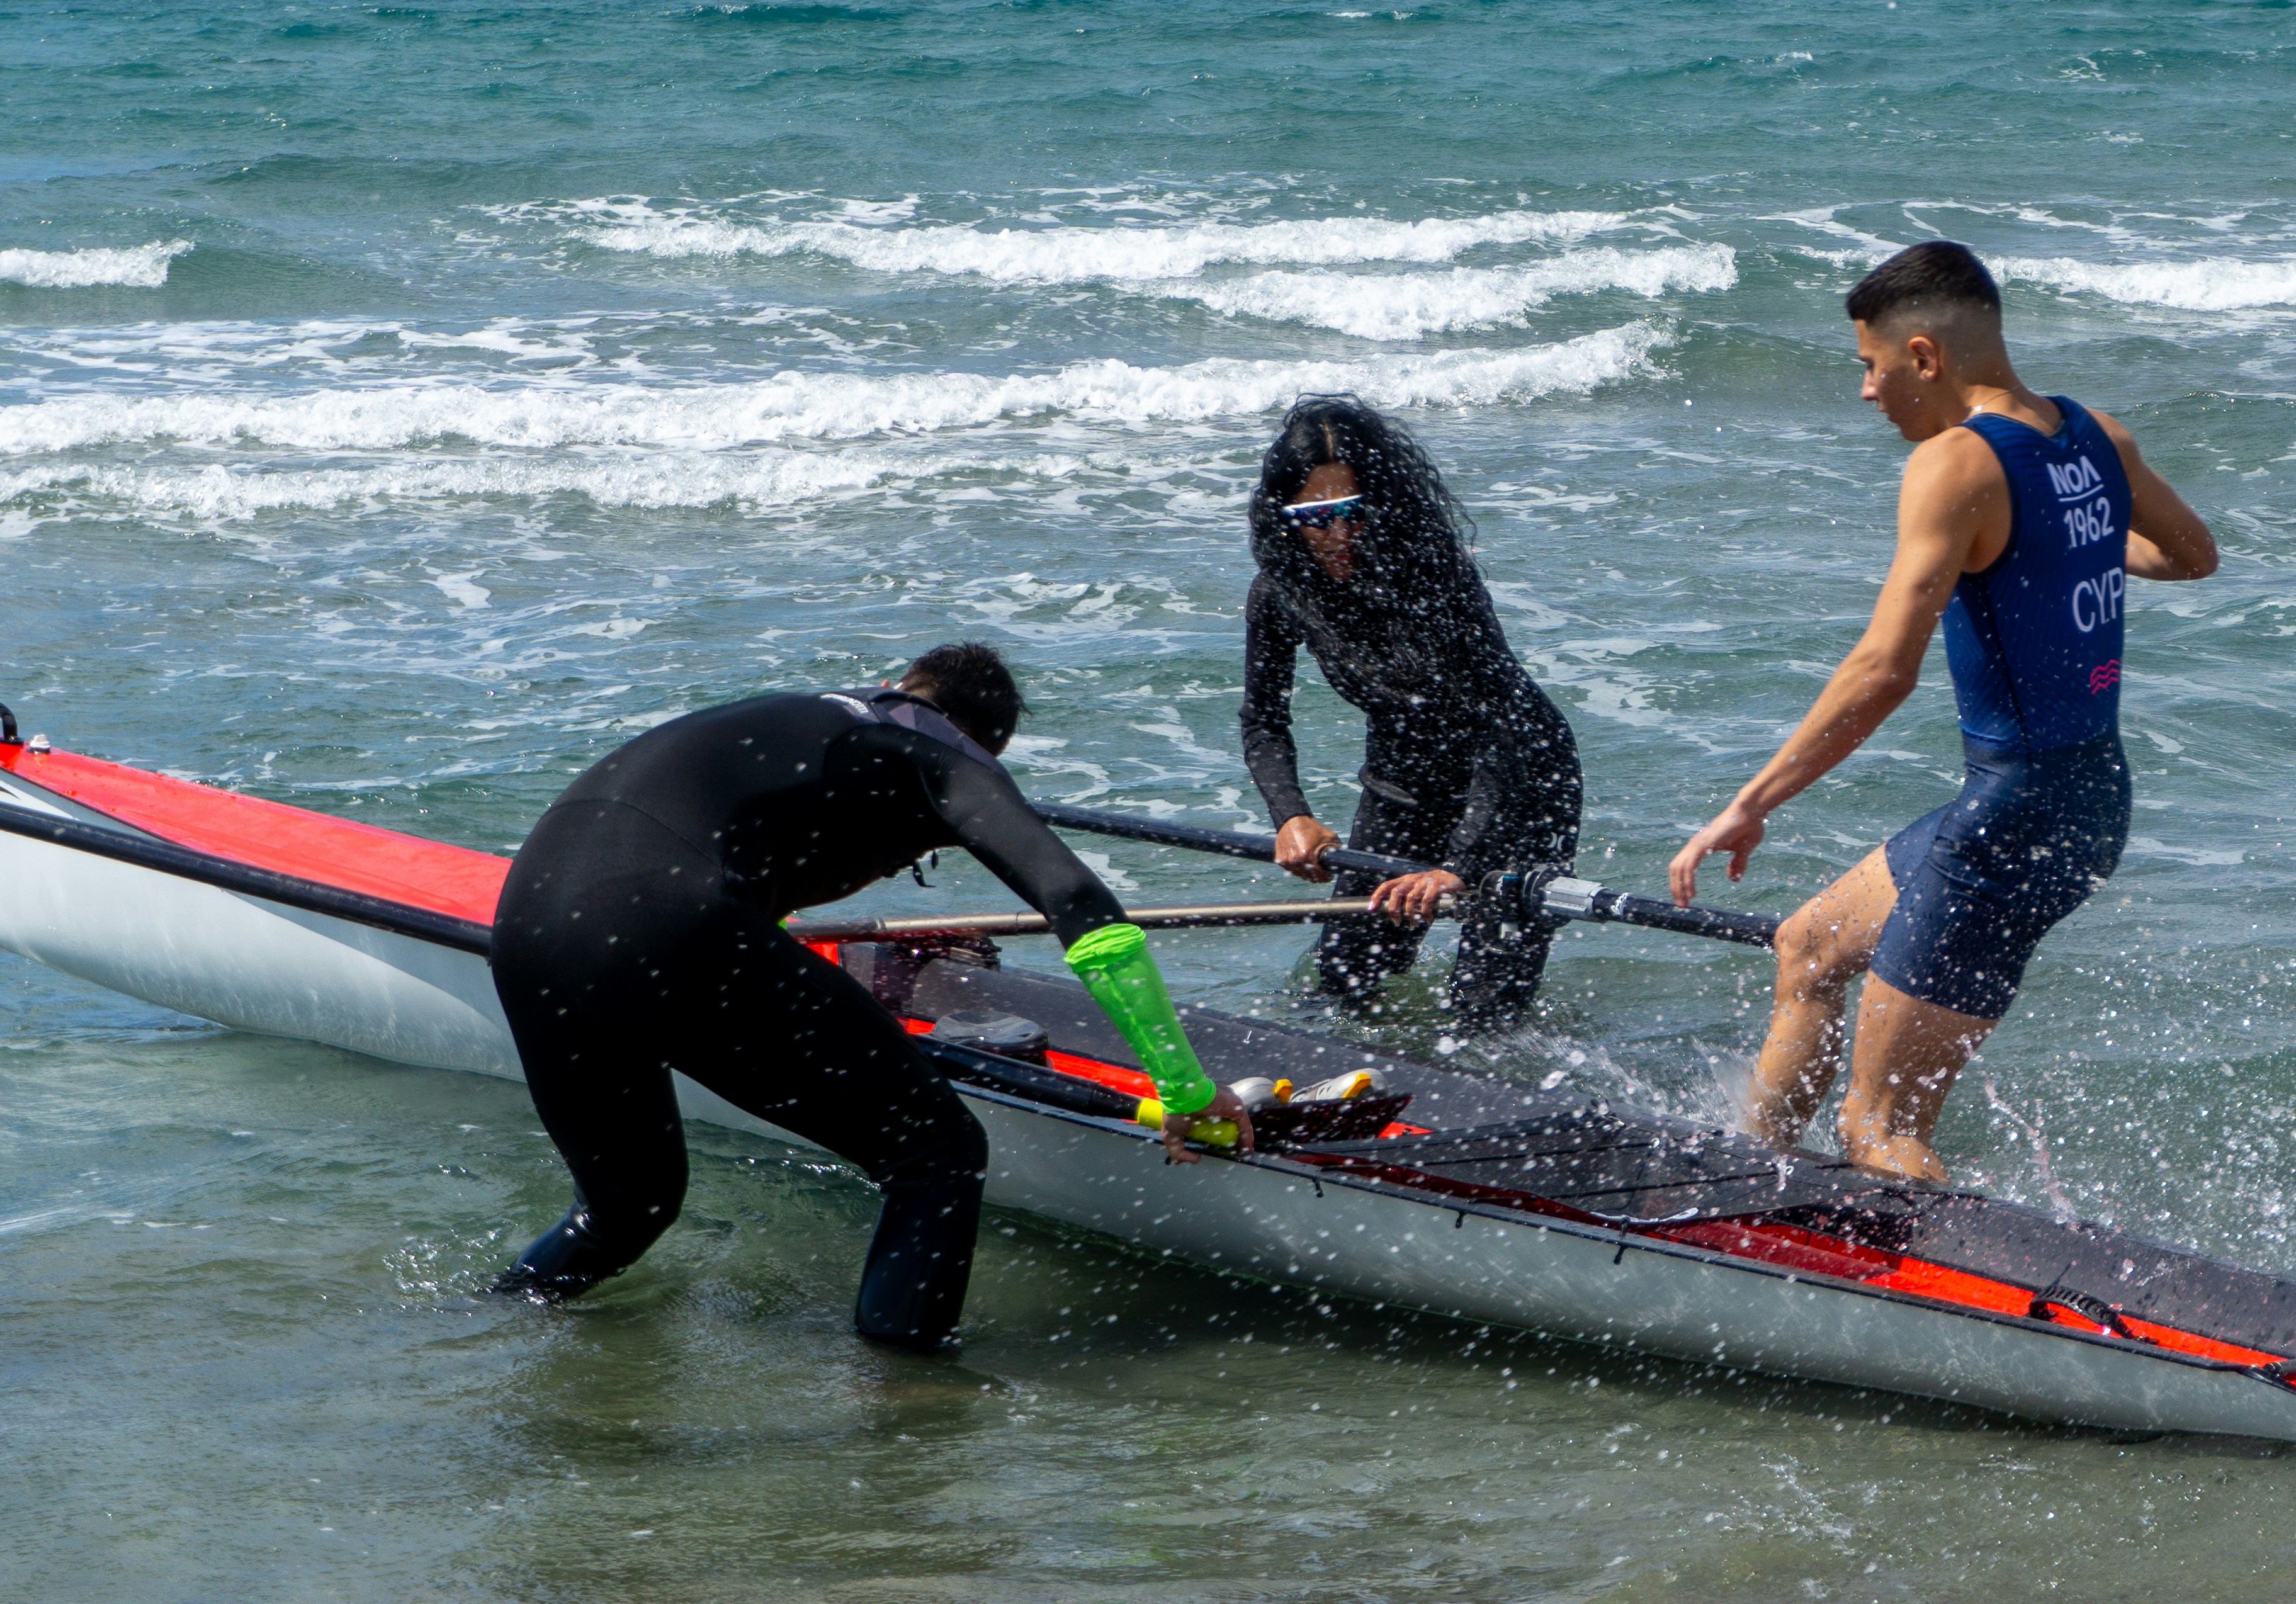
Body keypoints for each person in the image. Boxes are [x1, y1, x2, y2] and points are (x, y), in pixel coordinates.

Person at [487, 642, 1247, 1351]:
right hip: (669, 922)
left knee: (628, 1208)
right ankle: (902, 1413)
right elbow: (1080, 901)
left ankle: (483, 1321)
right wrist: (1183, 1085)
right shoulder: (945, 752)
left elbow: (722, 832)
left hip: (527, 918)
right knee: (937, 1153)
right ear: (984, 740)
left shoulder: (815, 717)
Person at [1666, 242, 2217, 1182]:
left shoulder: (1953, 465)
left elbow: (1884, 671)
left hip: (2016, 824)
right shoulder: (2094, 434)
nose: (1867, 393)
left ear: (1924, 356)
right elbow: (2190, 554)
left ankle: (1926, 1301)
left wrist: (1752, 801)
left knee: (1879, 1131)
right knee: (1806, 947)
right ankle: (1748, 1193)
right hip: (2075, 801)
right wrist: (2054, 552)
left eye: (1871, 368)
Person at [1242, 395, 1583, 1033]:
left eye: (1355, 511)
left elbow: (1500, 720)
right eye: (1317, 517)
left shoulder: (1437, 575)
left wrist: (1458, 866)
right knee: (1345, 977)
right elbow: (1262, 719)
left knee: (1484, 1015)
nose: (1340, 534)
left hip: (1520, 780)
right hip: (1403, 784)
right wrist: (1289, 813)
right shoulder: (1279, 591)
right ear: (1284, 516)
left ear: (1387, 502)